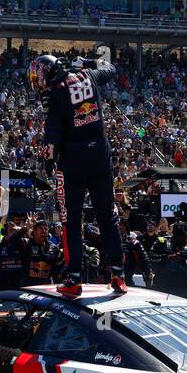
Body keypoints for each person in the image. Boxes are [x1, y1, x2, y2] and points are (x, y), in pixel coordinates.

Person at [36, 53, 126, 294]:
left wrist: (48, 164)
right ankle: (118, 274)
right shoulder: (89, 75)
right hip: (100, 157)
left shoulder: (55, 95)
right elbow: (111, 68)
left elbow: (51, 140)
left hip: (73, 164)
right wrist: (88, 62)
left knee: (71, 222)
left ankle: (74, 277)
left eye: (41, 76)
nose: (39, 81)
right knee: (107, 217)